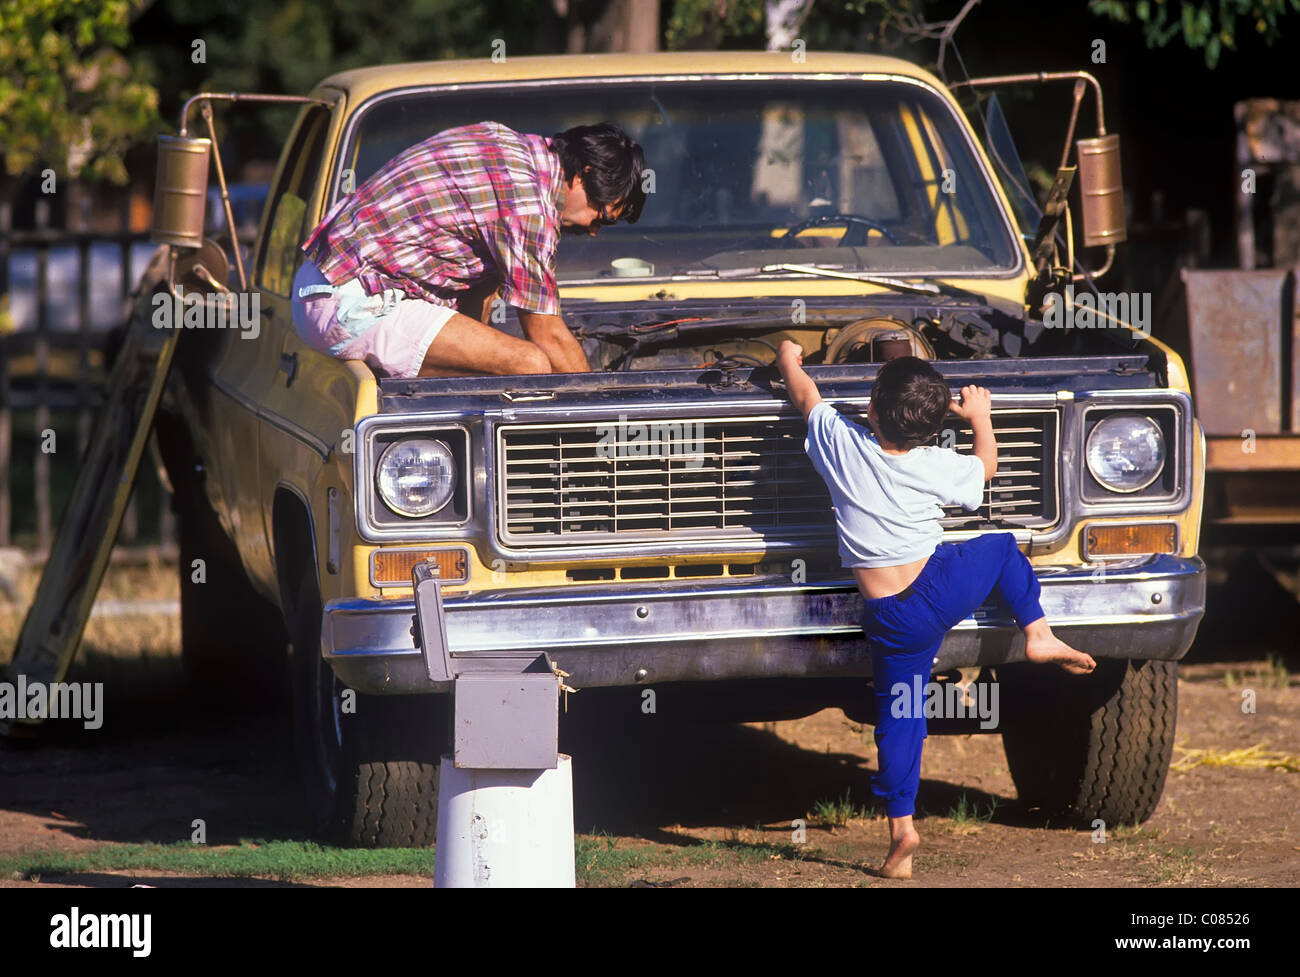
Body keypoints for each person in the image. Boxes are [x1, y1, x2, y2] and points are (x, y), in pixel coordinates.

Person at [774, 343, 1096, 879]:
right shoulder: (936, 463)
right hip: (940, 588)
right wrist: (979, 418)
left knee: (900, 719)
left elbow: (804, 393)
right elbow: (986, 469)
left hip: (891, 618)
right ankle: (1037, 633)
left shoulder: (841, 442)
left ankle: (902, 828)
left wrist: (788, 356)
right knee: (998, 547)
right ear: (930, 430)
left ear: (871, 411)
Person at [291, 120, 646, 379]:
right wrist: (608, 413)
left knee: (495, 335)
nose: (594, 231)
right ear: (582, 176)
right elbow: (547, 336)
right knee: (530, 363)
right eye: (601, 217)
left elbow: (480, 293)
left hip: (329, 284)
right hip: (348, 299)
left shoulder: (507, 145)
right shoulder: (528, 204)